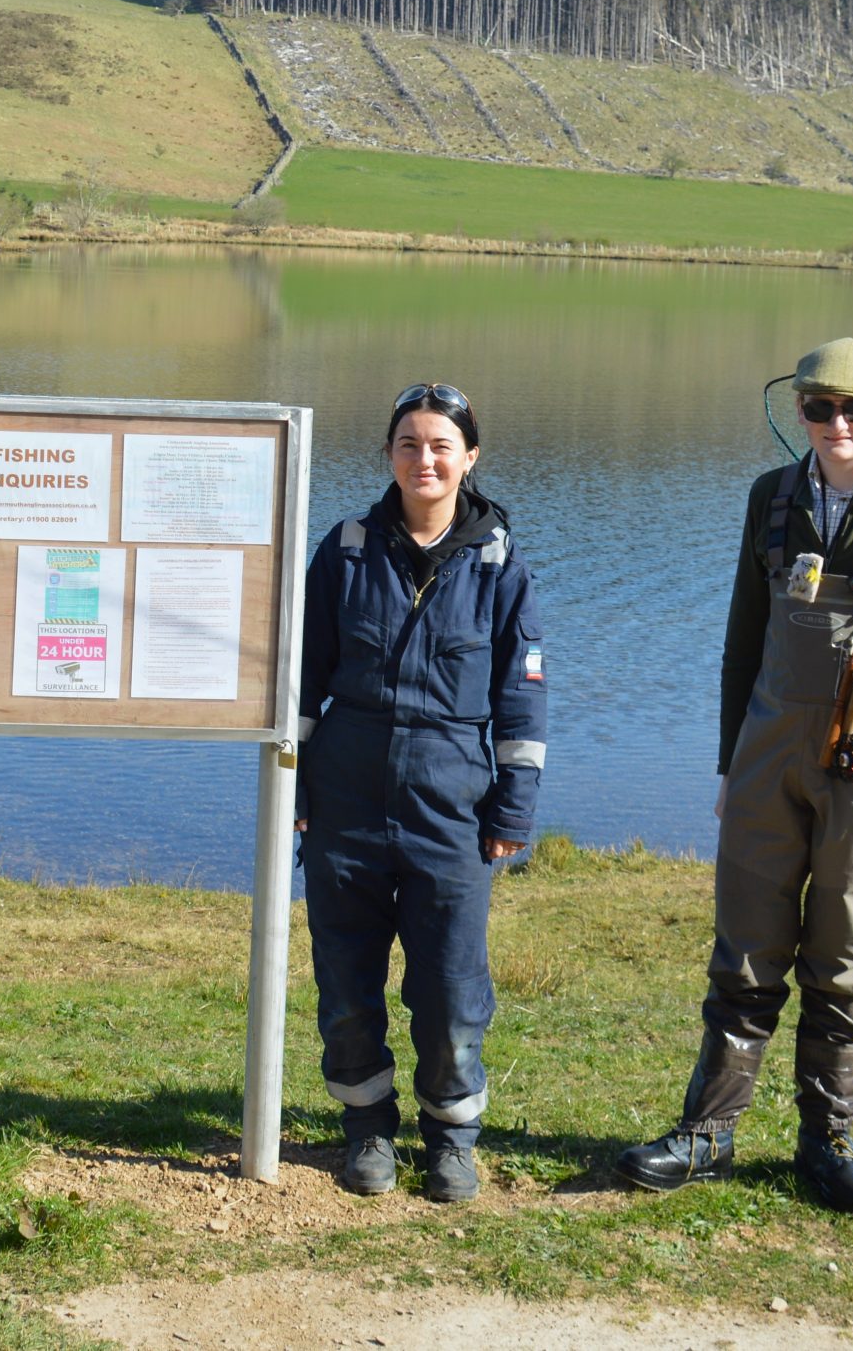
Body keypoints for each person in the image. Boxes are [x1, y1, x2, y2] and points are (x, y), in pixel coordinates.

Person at [617, 337, 853, 1216]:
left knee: (843, 954)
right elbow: (740, 645)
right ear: (799, 411)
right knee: (746, 949)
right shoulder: (771, 496)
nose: (836, 425)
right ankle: (708, 1135)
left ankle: (826, 1141)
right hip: (766, 759)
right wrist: (729, 765)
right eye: (818, 409)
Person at [295, 382, 547, 1203]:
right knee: (345, 984)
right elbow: (300, 681)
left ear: (469, 457)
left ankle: (451, 1138)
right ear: (389, 455)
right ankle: (367, 1131)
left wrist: (513, 807)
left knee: (449, 990)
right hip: (345, 797)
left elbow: (522, 700)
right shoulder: (343, 550)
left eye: (442, 445)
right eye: (409, 443)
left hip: (452, 806)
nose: (425, 458)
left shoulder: (501, 566)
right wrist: (293, 787)